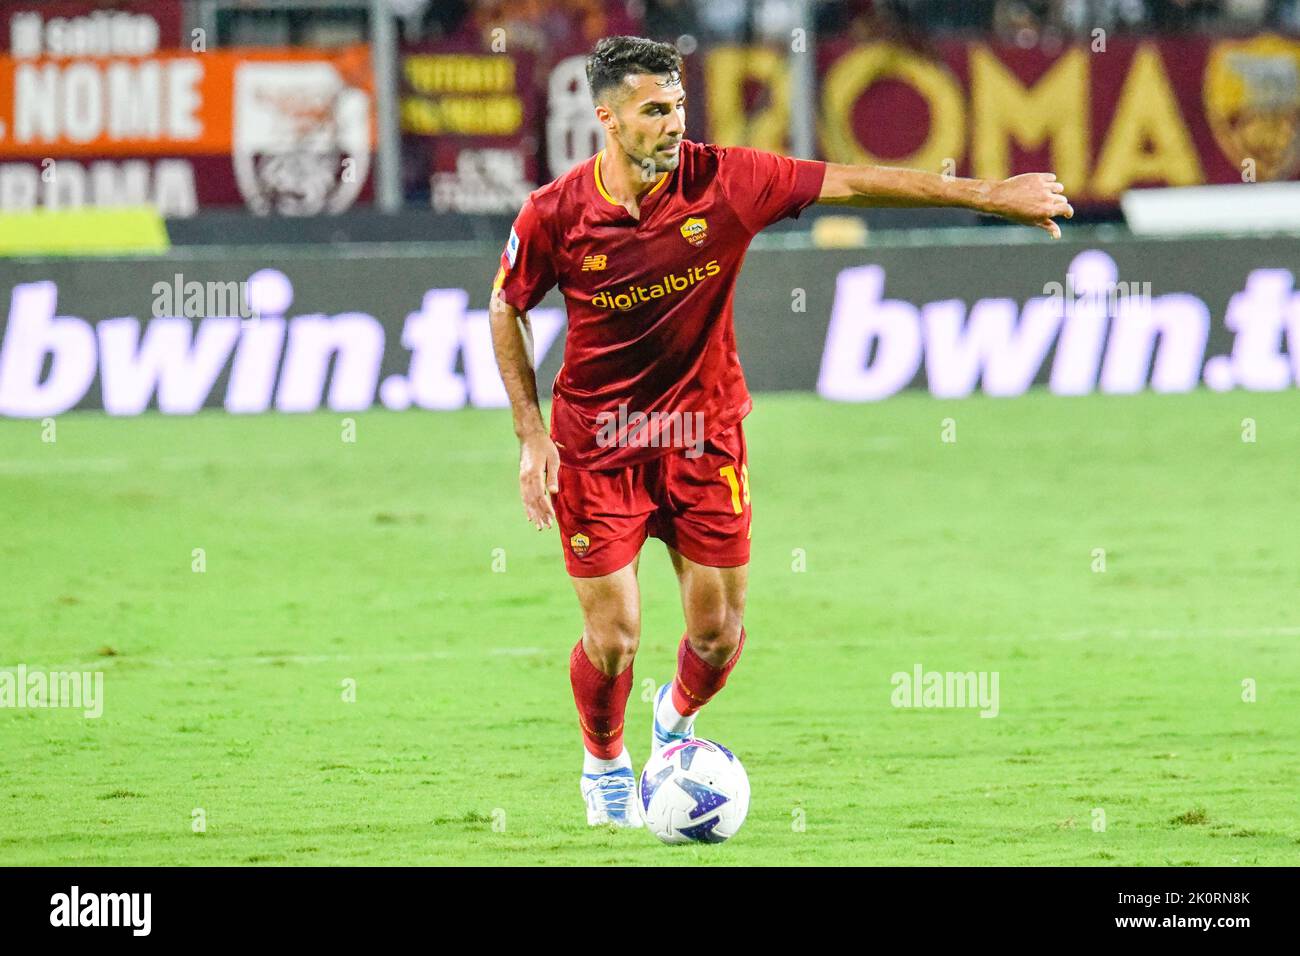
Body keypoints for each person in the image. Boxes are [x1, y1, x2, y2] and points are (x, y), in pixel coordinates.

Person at [488, 35, 1072, 827]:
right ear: (609, 119)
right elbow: (507, 306)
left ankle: (676, 725)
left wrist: (990, 197)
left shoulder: (727, 181)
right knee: (615, 636)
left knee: (719, 635)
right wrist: (531, 435)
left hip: (704, 436)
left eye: (680, 107)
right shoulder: (555, 213)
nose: (674, 125)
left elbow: (858, 182)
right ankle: (604, 765)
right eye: (655, 111)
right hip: (599, 442)